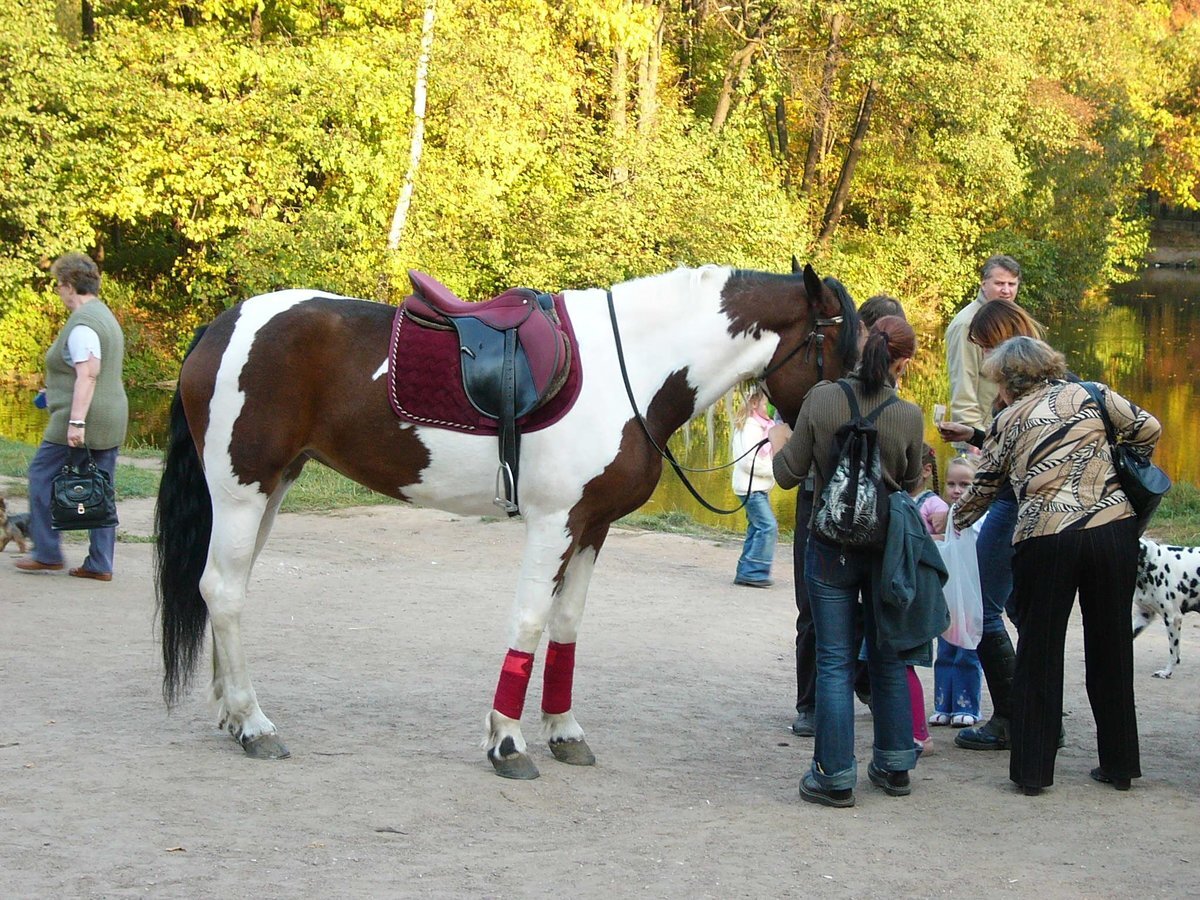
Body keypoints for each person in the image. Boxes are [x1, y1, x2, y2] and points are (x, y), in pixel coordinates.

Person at [952, 336, 1160, 795]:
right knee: (1111, 648)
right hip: (1112, 531)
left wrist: (951, 521)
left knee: (1039, 652)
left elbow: (984, 487)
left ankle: (1032, 771)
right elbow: (1150, 428)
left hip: (1045, 538)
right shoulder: (1093, 394)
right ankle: (1120, 765)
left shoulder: (1007, 419)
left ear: (1007, 381)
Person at [771, 315, 924, 807]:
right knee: (888, 653)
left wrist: (779, 443)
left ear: (860, 345)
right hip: (884, 546)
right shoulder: (909, 414)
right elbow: (910, 479)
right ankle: (894, 765)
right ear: (903, 361)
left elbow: (789, 473)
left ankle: (834, 777)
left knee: (835, 660)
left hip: (830, 543)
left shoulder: (821, 398)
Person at [791, 291, 902, 736]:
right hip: (822, 504)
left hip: (858, 512)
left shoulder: (894, 391)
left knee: (862, 610)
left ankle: (856, 693)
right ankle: (811, 701)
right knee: (814, 610)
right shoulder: (824, 379)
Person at [935, 298, 1043, 751]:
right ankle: (1035, 714)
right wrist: (974, 436)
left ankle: (1014, 718)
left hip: (1013, 504)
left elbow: (1008, 463)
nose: (980, 358)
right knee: (1023, 612)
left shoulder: (1024, 391)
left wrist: (955, 516)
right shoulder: (1045, 380)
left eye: (983, 346)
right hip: (1043, 509)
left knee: (984, 608)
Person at [15, 251, 127, 582]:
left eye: (58, 286)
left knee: (40, 475)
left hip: (81, 419)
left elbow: (88, 373)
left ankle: (47, 552)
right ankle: (100, 562)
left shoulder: (83, 323)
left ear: (67, 285)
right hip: (111, 415)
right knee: (100, 488)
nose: (58, 293)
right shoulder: (103, 314)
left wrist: (76, 422)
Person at [928, 455, 983, 729]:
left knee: (968, 650)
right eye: (951, 484)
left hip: (971, 596)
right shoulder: (949, 517)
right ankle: (943, 704)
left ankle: (967, 705)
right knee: (946, 648)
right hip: (950, 593)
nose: (956, 490)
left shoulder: (980, 518)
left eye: (964, 484)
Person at [945, 255, 1021, 452]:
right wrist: (973, 436)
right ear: (983, 284)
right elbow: (963, 381)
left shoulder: (1009, 318)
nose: (1006, 290)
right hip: (979, 437)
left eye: (1012, 284)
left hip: (1006, 431)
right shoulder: (967, 324)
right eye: (999, 283)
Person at [905, 444, 946, 752]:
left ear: (925, 469)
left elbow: (949, 540)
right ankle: (907, 727)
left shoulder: (934, 505)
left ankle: (920, 734)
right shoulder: (905, 500)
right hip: (907, 586)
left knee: (904, 664)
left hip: (918, 590)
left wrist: (912, 539)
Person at [732, 387, 778, 588]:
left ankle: (746, 569)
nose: (769, 407)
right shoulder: (750, 427)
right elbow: (749, 461)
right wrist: (775, 470)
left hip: (758, 488)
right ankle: (755, 571)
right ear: (753, 404)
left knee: (757, 527)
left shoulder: (764, 427)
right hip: (750, 488)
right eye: (765, 403)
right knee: (768, 527)